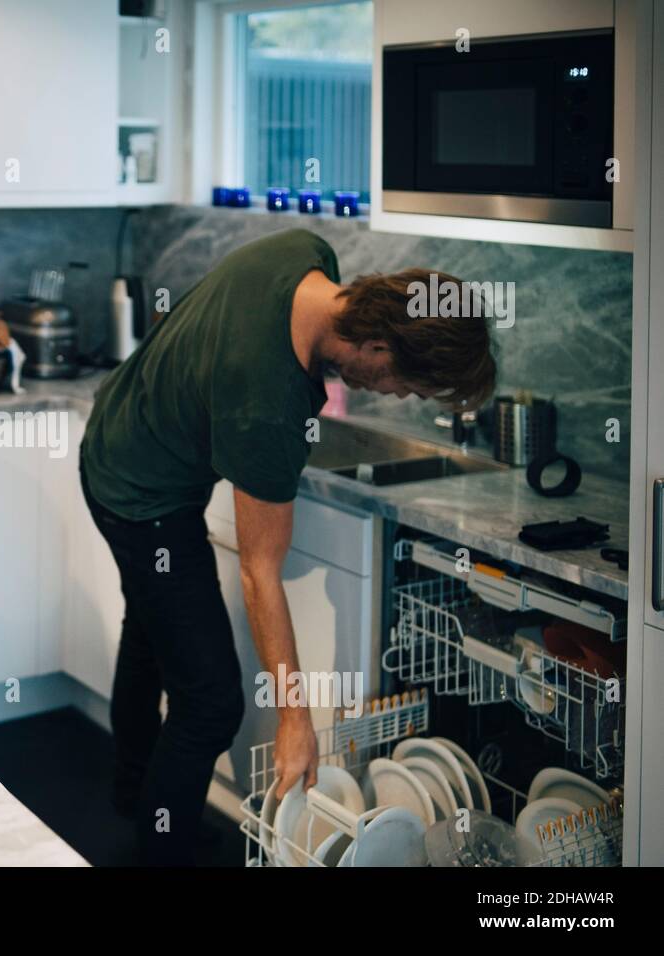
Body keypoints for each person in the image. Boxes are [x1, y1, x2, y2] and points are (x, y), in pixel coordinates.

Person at [80, 227, 496, 865]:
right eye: (403, 385)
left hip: (120, 430)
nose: (396, 397)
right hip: (143, 497)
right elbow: (259, 571)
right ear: (377, 344)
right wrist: (295, 721)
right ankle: (160, 852)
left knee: (150, 629)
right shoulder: (267, 406)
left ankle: (136, 797)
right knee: (211, 703)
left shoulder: (304, 254)